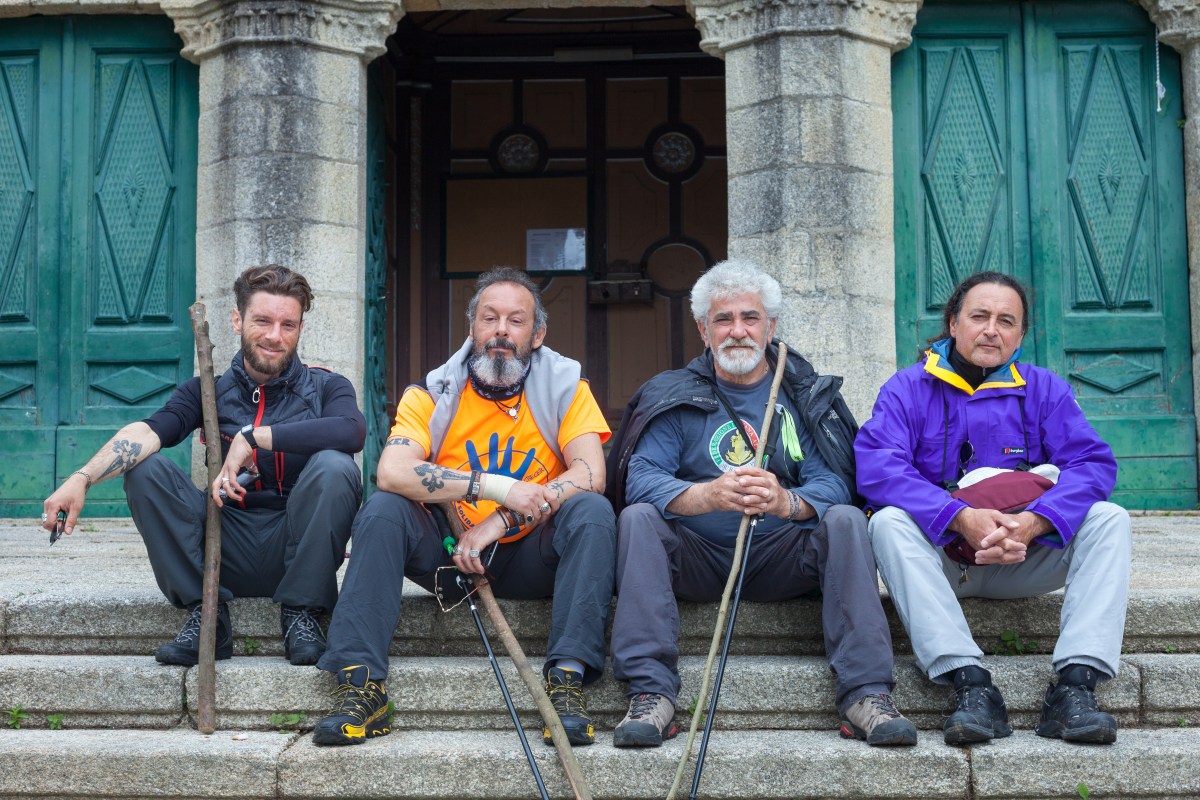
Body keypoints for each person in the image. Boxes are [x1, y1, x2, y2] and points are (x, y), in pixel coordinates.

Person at [605, 259, 917, 748]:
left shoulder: (804, 394)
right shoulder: (673, 394)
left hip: (781, 557)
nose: (737, 331)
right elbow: (640, 477)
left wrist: (786, 502)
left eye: (750, 318)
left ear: (771, 327)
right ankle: (650, 693)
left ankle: (866, 693)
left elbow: (837, 480)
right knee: (639, 518)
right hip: (698, 560)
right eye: (723, 320)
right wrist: (705, 495)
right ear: (703, 331)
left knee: (847, 519)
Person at [312, 267, 616, 747]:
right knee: (383, 508)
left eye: (516, 321)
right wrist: (493, 487)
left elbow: (590, 474)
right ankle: (361, 685)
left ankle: (566, 683)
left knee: (594, 513)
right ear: (472, 329)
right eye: (489, 318)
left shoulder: (567, 386)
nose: (500, 331)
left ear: (537, 335)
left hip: (532, 556)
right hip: (451, 558)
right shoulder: (431, 392)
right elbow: (391, 472)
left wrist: (500, 519)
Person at [855, 271, 1132, 746]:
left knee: (1111, 518)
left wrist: (1032, 522)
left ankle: (1075, 689)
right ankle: (971, 686)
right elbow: (878, 469)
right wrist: (959, 517)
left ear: (1020, 335)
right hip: (941, 563)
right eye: (979, 316)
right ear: (953, 323)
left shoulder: (1045, 389)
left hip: (1022, 557)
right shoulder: (906, 389)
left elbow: (1092, 464)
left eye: (1007, 321)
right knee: (887, 521)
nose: (992, 330)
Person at [41, 264, 366, 667]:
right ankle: (208, 614)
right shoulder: (206, 391)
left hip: (298, 546)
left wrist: (254, 436)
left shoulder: (327, 386)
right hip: (223, 544)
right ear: (237, 319)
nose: (274, 336)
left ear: (300, 327)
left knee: (337, 467)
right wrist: (82, 478)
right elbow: (147, 432)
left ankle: (302, 613)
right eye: (262, 321)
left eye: (288, 325)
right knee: (145, 469)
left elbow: (352, 432)